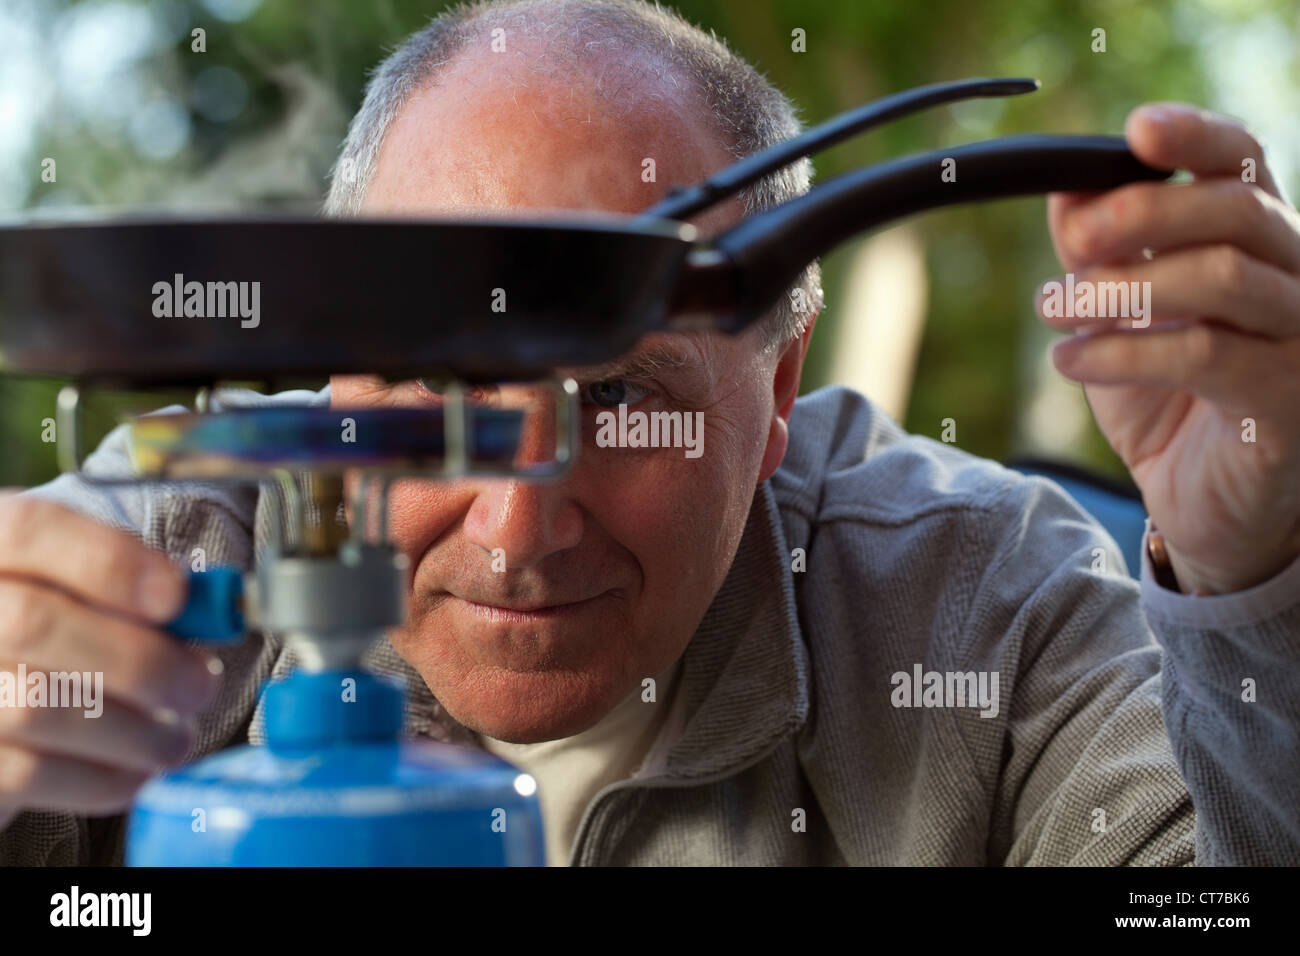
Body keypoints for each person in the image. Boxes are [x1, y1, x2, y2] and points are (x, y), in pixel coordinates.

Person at [2, 0, 1298, 866]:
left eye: (621, 398)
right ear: (335, 368)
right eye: (429, 388)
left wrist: (1256, 582)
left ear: (781, 387)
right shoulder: (164, 551)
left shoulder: (987, 612)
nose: (517, 528)